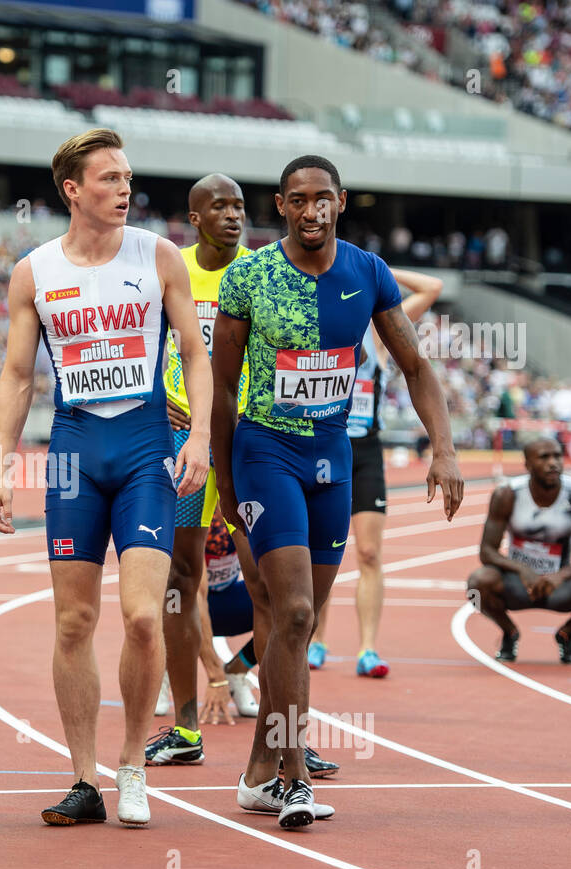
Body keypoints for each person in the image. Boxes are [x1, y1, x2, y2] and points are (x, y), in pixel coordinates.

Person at [210, 155, 462, 828]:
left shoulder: (367, 272)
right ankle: (294, 778)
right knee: (291, 614)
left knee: (299, 625)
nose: (312, 209)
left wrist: (444, 448)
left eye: (324, 198)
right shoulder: (251, 277)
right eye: (299, 199)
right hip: (265, 453)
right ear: (283, 206)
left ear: (341, 202)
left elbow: (413, 363)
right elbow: (225, 388)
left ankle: (258, 772)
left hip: (333, 457)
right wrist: (227, 480)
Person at [0, 129, 212, 827]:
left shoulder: (159, 255)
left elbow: (197, 357)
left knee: (144, 617)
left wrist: (199, 436)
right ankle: (84, 778)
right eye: (110, 178)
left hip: (147, 447)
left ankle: (133, 763)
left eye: (129, 177)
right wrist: (0, 462)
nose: (125, 189)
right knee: (74, 619)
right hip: (73, 451)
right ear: (73, 190)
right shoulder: (36, 272)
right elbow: (20, 375)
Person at [146, 174, 257, 771]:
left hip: (243, 441)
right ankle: (185, 727)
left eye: (239, 205)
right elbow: (141, 341)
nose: (233, 214)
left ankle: (281, 731)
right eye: (219, 206)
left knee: (277, 580)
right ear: (195, 216)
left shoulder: (264, 273)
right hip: (183, 441)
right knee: (179, 579)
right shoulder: (172, 269)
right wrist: (148, 395)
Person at [308, 268, 442, 678]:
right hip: (323, 447)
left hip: (365, 451)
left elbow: (432, 288)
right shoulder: (313, 319)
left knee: (368, 552)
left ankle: (367, 649)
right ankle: (316, 641)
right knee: (319, 552)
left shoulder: (380, 331)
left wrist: (378, 266)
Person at [149, 510, 341, 786]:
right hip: (191, 473)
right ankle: (186, 732)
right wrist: (215, 678)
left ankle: (285, 743)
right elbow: (197, 597)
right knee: (176, 583)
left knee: (275, 591)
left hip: (238, 469)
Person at [466, 438, 571, 664]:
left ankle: (567, 634)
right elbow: (487, 551)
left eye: (557, 456)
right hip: (517, 583)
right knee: (477, 585)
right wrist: (522, 570)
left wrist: (560, 576)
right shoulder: (508, 494)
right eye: (544, 457)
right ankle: (509, 632)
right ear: (527, 464)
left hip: (560, 586)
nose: (553, 463)